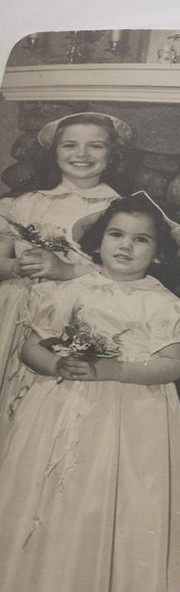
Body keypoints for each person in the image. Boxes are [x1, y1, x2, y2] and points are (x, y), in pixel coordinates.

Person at [0, 192, 180, 592]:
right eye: (116, 234)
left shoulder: (165, 303)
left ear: (159, 252)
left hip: (132, 420)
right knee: (58, 505)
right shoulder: (71, 290)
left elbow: (171, 365)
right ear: (98, 241)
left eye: (141, 239)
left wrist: (117, 371)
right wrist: (56, 364)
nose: (125, 246)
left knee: (124, 509)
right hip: (64, 411)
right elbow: (30, 348)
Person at [0, 112, 132, 435]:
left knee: (45, 411)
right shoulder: (25, 204)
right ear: (55, 151)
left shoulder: (120, 208)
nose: (81, 154)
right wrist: (16, 266)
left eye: (95, 146)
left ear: (112, 154)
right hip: (15, 310)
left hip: (73, 315)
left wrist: (66, 269)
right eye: (70, 145)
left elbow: (124, 271)